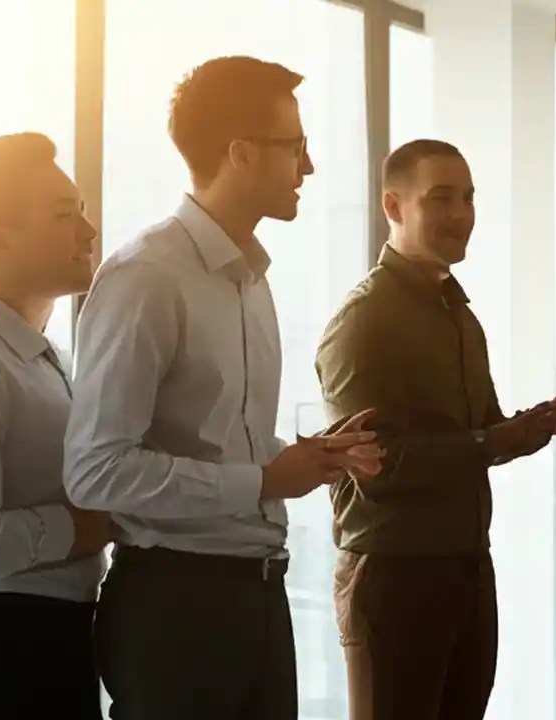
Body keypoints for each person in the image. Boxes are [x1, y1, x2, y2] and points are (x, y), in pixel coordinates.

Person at [63, 56, 382, 720]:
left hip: (258, 594)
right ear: (240, 153)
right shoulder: (145, 277)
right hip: (176, 607)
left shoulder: (251, 278)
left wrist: (305, 459)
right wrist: (264, 480)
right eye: (295, 146)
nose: (309, 166)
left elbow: (223, 443)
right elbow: (95, 471)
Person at [316, 138, 556, 720]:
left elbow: (479, 436)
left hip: (466, 567)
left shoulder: (460, 315)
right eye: (441, 198)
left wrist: (531, 426)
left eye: (468, 198)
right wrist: (495, 439)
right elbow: (376, 464)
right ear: (393, 207)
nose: (461, 214)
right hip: (394, 574)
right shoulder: (365, 319)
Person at [0, 133, 108, 717]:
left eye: (83, 212)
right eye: (65, 216)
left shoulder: (50, 358)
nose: (88, 233)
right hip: (0, 646)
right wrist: (88, 525)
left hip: (57, 636)